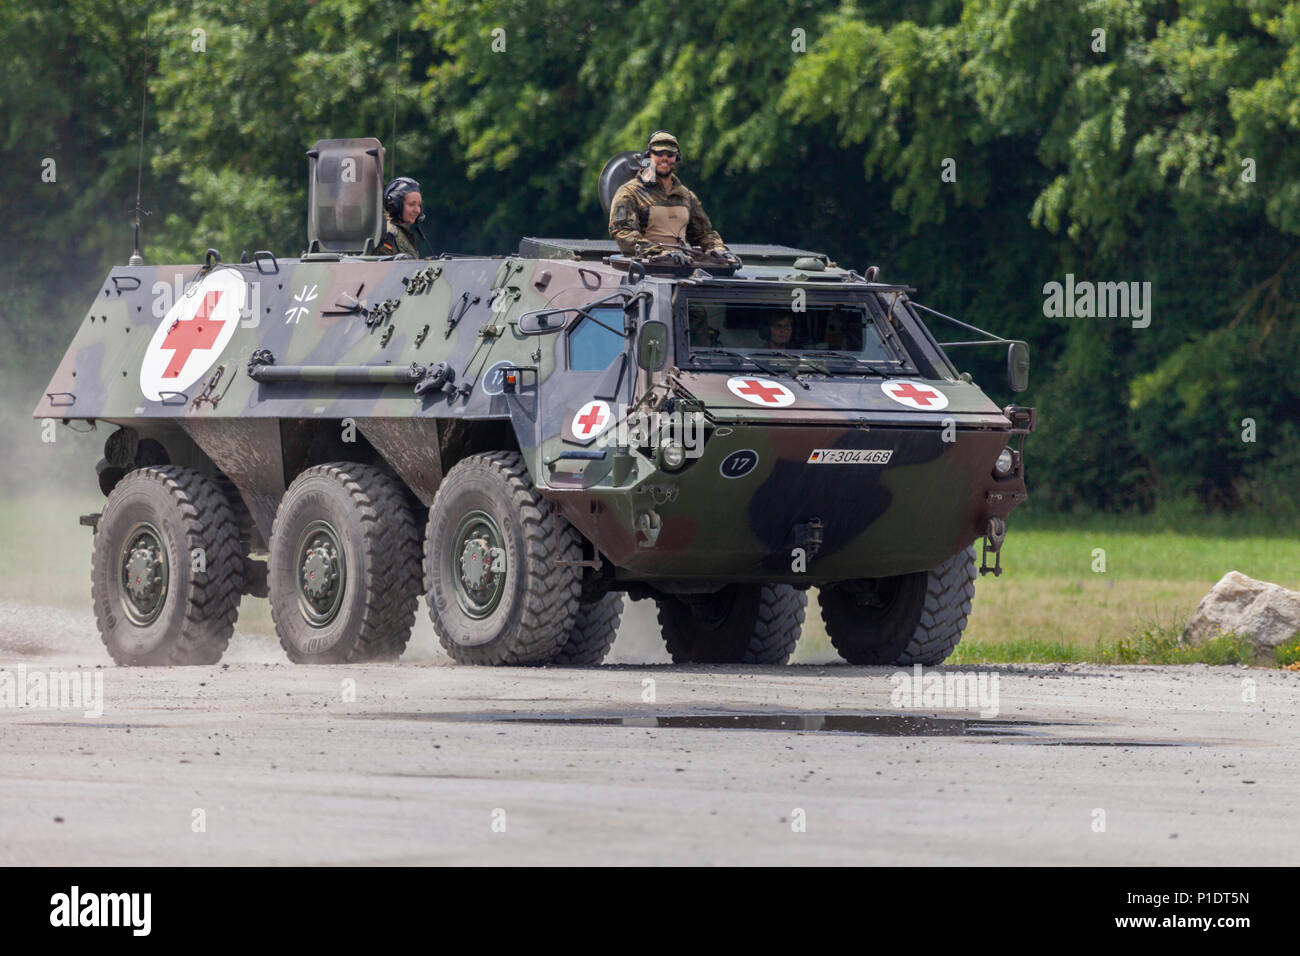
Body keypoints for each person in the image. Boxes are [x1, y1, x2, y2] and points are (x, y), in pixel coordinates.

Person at [608, 131, 740, 266]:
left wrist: (718, 249)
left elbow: (703, 234)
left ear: (676, 158)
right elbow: (623, 233)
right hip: (645, 269)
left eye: (670, 154)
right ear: (649, 156)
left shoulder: (686, 195)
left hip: (681, 267)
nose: (664, 158)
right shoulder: (629, 193)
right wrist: (660, 253)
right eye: (659, 153)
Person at [376, 176, 428, 257]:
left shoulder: (401, 233)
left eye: (419, 205)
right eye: (411, 204)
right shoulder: (387, 234)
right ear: (395, 206)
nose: (418, 210)